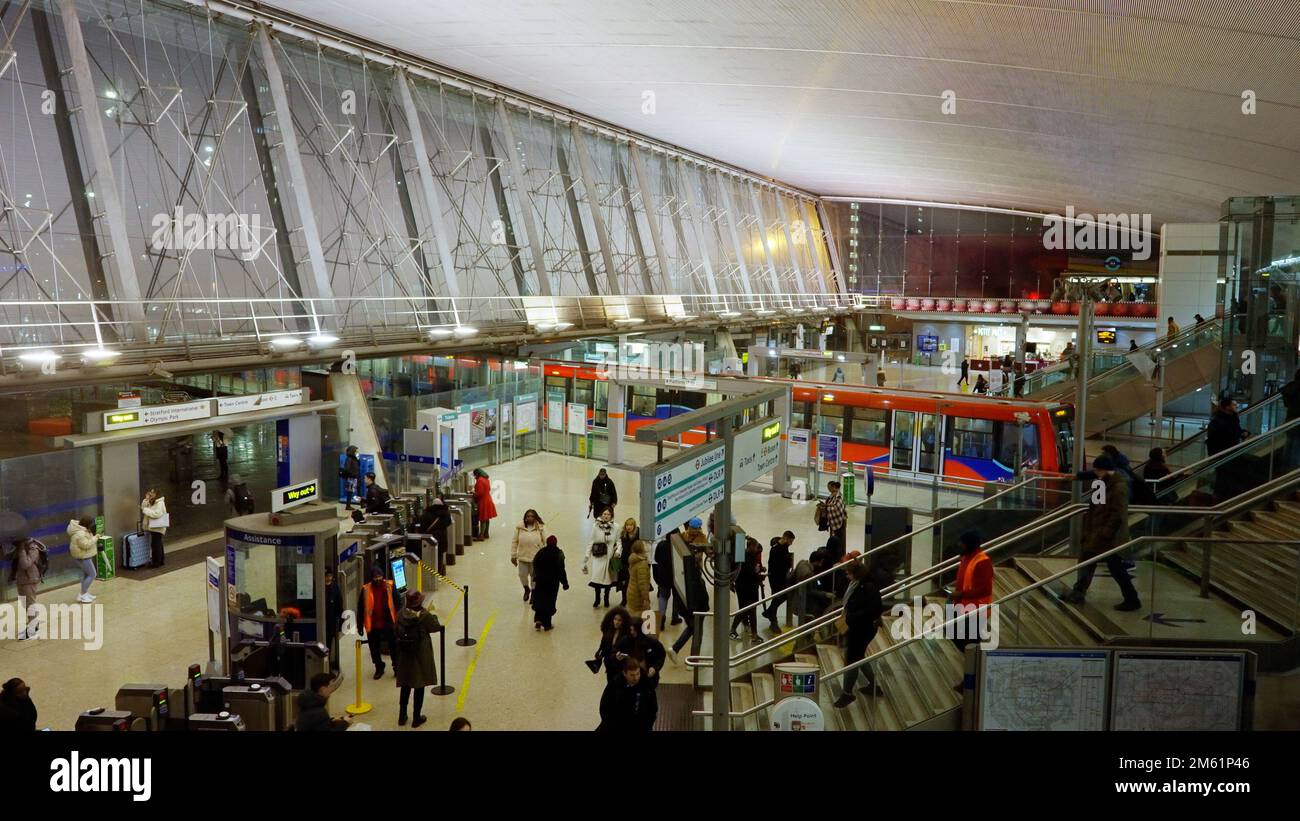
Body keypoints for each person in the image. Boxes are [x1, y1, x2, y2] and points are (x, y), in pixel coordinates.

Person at [1061, 456, 1141, 611]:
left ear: (1104, 470)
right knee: (1087, 561)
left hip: (1110, 537)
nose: (1095, 473)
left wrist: (1105, 532)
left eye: (1098, 470)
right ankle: (1078, 592)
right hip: (1097, 532)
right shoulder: (1106, 481)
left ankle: (1132, 599)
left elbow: (1118, 514)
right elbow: (1098, 504)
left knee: (1115, 568)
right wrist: (1078, 476)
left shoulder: (1119, 487)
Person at [832, 555, 885, 708]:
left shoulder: (867, 587)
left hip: (863, 628)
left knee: (852, 660)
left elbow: (872, 609)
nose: (848, 577)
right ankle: (874, 686)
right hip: (859, 626)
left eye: (849, 574)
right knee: (859, 657)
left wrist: (851, 616)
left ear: (856, 573)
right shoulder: (859, 585)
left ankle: (847, 693)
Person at [394, 590, 441, 728]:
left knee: (405, 685)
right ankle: (416, 718)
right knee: (419, 686)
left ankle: (402, 716)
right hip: (419, 655)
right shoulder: (424, 616)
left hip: (404, 655)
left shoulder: (401, 614)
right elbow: (435, 627)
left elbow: (395, 630)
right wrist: (434, 616)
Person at [949, 530, 994, 653]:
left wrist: (961, 594)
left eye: (962, 543)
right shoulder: (966, 558)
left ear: (968, 544)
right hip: (961, 606)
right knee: (955, 637)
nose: (959, 545)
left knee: (970, 644)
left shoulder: (982, 561)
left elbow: (985, 589)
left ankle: (970, 670)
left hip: (976, 610)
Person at [597, 656, 658, 732]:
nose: (636, 678)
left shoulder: (647, 686)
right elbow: (605, 707)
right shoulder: (615, 685)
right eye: (632, 675)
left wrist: (647, 726)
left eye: (638, 673)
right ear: (624, 673)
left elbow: (652, 709)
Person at [360, 566, 399, 679]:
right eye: (375, 577)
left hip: (389, 623)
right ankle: (379, 667)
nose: (378, 579)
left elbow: (398, 603)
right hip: (373, 625)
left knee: (394, 647)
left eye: (379, 576)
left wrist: (400, 620)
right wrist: (359, 624)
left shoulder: (390, 586)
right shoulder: (366, 589)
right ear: (371, 578)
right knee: (374, 648)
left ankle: (396, 667)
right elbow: (361, 607)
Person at [531, 534, 569, 630]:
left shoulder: (541, 552)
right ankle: (547, 624)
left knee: (540, 600)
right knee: (549, 602)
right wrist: (565, 583)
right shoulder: (559, 554)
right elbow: (561, 570)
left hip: (540, 581)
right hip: (552, 583)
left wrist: (536, 576)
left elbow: (534, 563)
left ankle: (538, 620)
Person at [729, 537, 764, 640]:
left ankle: (754, 633)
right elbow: (749, 573)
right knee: (745, 609)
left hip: (747, 586)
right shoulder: (746, 557)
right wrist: (760, 577)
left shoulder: (746, 555)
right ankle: (733, 630)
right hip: (746, 587)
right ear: (751, 546)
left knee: (751, 609)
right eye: (756, 546)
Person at [583, 507, 620, 608]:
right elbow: (591, 541)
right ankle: (597, 599)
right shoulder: (595, 526)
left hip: (610, 556)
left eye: (608, 514)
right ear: (601, 515)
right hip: (599, 556)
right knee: (597, 579)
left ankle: (606, 599)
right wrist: (586, 556)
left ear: (611, 515)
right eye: (604, 514)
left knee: (608, 580)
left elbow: (619, 541)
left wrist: (618, 551)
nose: (606, 516)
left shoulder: (616, 527)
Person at [762, 530, 795, 631]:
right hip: (776, 579)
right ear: (786, 538)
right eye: (790, 541)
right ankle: (771, 616)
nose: (791, 543)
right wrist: (788, 563)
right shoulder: (777, 549)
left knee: (778, 597)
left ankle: (770, 614)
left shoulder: (781, 548)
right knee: (778, 597)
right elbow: (779, 564)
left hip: (779, 577)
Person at [510, 509, 546, 602]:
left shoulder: (540, 528)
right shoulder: (519, 528)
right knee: (522, 575)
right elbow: (515, 542)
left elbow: (545, 542)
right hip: (522, 557)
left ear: (535, 518)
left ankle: (534, 592)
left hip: (536, 559)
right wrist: (513, 555)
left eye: (532, 516)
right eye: (528, 516)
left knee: (534, 577)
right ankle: (526, 589)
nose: (530, 518)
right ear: (525, 518)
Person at [591, 606, 634, 682]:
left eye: (619, 620)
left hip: (621, 666)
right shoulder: (608, 632)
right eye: (615, 619)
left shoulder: (627, 636)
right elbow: (603, 647)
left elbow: (629, 651)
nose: (616, 622)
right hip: (609, 664)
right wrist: (598, 656)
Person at [652, 534, 683, 634]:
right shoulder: (679, 546)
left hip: (663, 575)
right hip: (676, 575)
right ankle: (675, 617)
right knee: (676, 597)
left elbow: (656, 558)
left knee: (663, 596)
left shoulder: (661, 545)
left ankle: (661, 617)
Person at [66, 516, 98, 603]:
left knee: (86, 575)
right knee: (92, 574)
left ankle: (83, 594)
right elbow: (86, 545)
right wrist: (95, 538)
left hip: (84, 556)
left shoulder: (82, 530)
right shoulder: (80, 534)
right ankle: (83, 595)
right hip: (83, 557)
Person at [625, 539, 653, 623]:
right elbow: (643, 584)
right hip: (638, 595)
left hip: (631, 591)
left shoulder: (633, 559)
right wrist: (646, 599)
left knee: (632, 613)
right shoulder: (642, 564)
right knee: (639, 620)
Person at [615, 518, 640, 605]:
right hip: (624, 563)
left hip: (634, 563)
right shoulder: (623, 535)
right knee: (624, 583)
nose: (628, 527)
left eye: (630, 525)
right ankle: (624, 599)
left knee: (633, 583)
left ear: (634, 526)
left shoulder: (638, 536)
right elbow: (619, 545)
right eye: (627, 525)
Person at [323, 568, 344, 670]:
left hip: (331, 622)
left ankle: (327, 666)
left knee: (328, 645)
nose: (328, 578)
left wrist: (340, 621)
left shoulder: (335, 587)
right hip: (321, 621)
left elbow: (339, 605)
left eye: (329, 576)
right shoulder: (318, 587)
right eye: (326, 576)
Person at [140, 488, 168, 564]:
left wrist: (146, 510)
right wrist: (146, 499)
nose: (151, 493)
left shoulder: (159, 503)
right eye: (150, 492)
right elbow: (143, 507)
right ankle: (160, 560)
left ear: (157, 494)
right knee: (158, 544)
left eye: (153, 492)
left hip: (158, 527)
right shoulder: (152, 501)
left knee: (155, 545)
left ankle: (156, 562)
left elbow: (156, 514)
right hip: (154, 527)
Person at [471, 468, 497, 540]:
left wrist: (473, 493)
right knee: (487, 518)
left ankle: (481, 535)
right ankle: (486, 533)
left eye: (475, 475)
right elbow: (488, 489)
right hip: (488, 499)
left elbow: (480, 493)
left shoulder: (480, 481)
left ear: (477, 474)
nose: (474, 477)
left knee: (482, 519)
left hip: (483, 502)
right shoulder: (486, 479)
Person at [823, 481, 847, 553]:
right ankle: (834, 553)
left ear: (834, 487)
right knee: (834, 540)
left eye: (829, 488)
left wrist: (826, 507)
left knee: (840, 541)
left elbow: (837, 509)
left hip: (839, 523)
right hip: (833, 524)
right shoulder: (831, 496)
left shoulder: (839, 497)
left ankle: (841, 555)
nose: (829, 490)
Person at [340, 445, 361, 510]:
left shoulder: (355, 458)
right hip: (352, 477)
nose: (357, 452)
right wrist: (352, 474)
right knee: (350, 492)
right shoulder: (349, 459)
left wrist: (358, 458)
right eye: (356, 451)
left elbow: (358, 465)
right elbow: (347, 469)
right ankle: (348, 505)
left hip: (356, 476)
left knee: (358, 490)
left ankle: (361, 503)